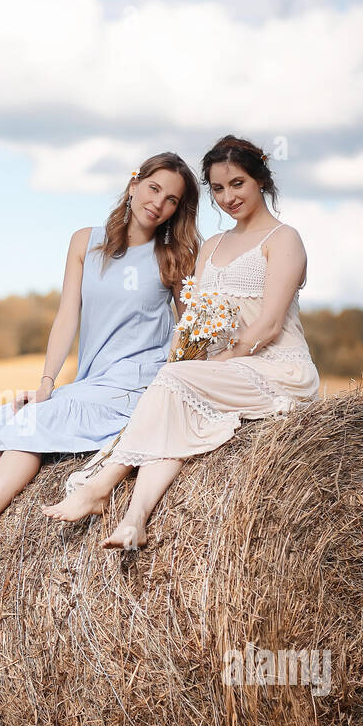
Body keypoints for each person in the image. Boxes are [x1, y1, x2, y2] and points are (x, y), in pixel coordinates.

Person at [0, 151, 201, 573]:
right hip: (91, 380)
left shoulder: (174, 256)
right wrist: (46, 381)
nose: (159, 202)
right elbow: (67, 316)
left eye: (172, 199)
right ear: (134, 185)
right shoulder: (85, 241)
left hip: (135, 387)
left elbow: (192, 331)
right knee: (0, 420)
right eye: (154, 188)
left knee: (31, 424)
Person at [42, 135, 321, 549]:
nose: (229, 197)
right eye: (219, 188)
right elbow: (193, 317)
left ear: (260, 179)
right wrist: (188, 353)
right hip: (221, 368)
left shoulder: (284, 240)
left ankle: (103, 485)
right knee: (178, 414)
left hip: (277, 368)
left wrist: (214, 361)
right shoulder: (212, 246)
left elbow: (269, 324)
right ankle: (134, 520)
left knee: (174, 384)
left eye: (238, 183)